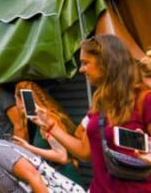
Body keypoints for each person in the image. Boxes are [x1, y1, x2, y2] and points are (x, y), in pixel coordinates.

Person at [32, 35, 151, 192]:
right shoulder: (100, 103)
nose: (81, 69)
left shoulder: (144, 99)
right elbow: (84, 152)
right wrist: (51, 126)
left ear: (106, 63)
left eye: (85, 63)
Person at [11, 81, 82, 184]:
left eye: (16, 99)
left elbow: (62, 156)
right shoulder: (42, 119)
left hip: (65, 177)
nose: (15, 104)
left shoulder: (46, 121)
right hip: (64, 176)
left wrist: (28, 147)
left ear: (22, 102)